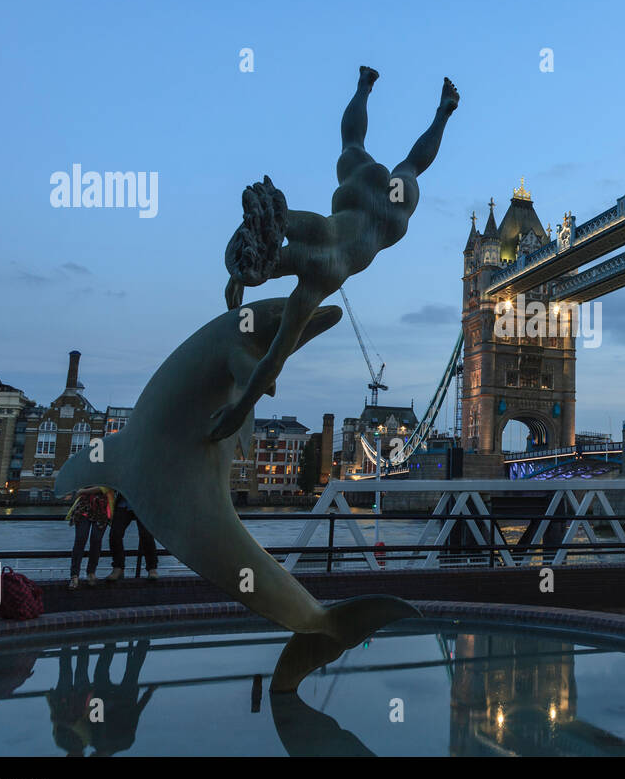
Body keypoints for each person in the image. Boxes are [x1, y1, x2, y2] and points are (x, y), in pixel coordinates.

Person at [210, 67, 459, 441]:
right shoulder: (313, 228)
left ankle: (436, 111)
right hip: (371, 193)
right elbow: (266, 222)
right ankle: (372, 88)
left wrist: (239, 409)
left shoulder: (319, 281)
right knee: (356, 146)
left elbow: (273, 360)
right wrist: (236, 272)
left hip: (388, 215)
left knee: (407, 166)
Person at [65, 486, 114, 589]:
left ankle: (91, 572)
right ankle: (74, 575)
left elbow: (105, 487)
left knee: (96, 540)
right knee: (80, 539)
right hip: (84, 506)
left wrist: (83, 491)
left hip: (102, 508)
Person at [107, 493, 158, 581]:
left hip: (143, 502)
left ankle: (152, 568)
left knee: (146, 534)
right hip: (124, 503)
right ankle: (118, 567)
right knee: (115, 533)